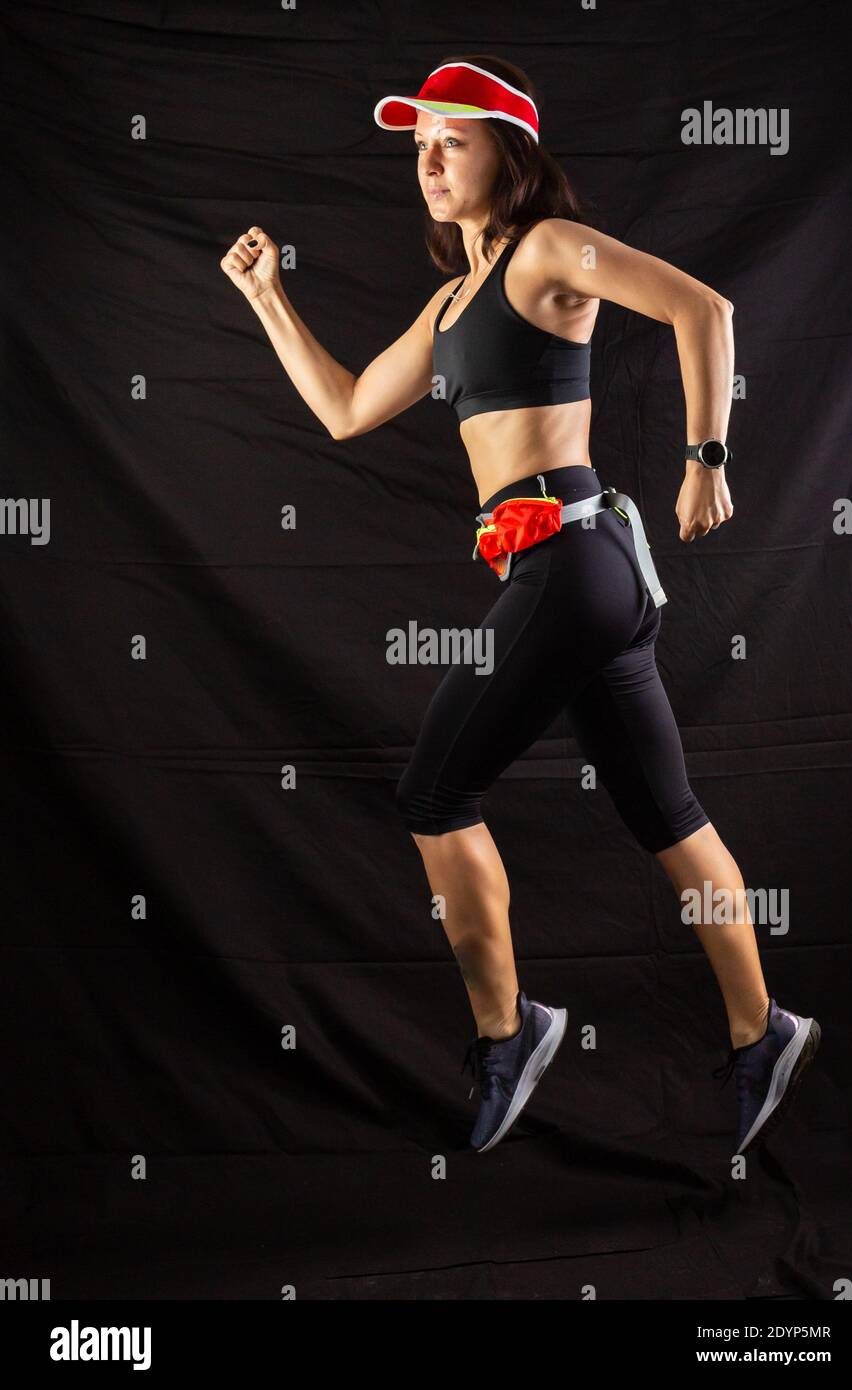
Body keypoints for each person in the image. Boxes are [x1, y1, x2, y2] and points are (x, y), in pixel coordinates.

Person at [219, 53, 820, 1158]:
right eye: (417, 145)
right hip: (566, 579)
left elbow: (701, 306)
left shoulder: (546, 250)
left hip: (574, 558)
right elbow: (348, 408)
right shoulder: (450, 300)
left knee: (433, 790)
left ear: (510, 151)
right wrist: (267, 297)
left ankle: (511, 1027)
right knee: (666, 816)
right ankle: (762, 1026)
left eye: (452, 137)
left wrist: (704, 457)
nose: (429, 159)